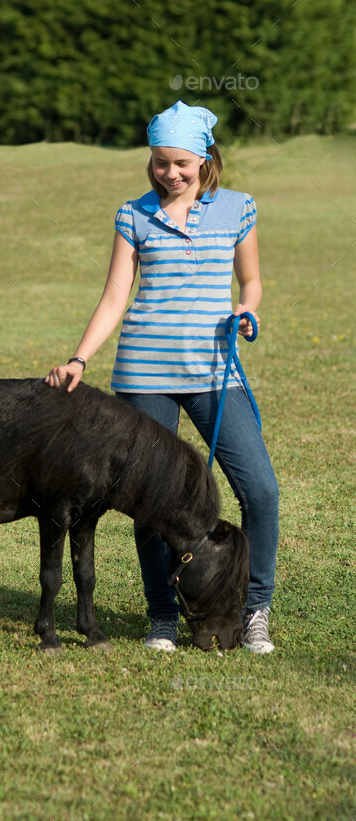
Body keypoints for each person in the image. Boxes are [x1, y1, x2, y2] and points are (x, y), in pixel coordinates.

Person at [46, 100, 279, 654]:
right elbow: (114, 297)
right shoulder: (133, 215)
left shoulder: (238, 208)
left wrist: (247, 309)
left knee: (261, 490)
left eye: (181, 163)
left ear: (205, 159)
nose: (170, 173)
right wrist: (79, 359)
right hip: (142, 374)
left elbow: (251, 281)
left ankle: (254, 609)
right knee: (151, 499)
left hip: (214, 373)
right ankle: (162, 616)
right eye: (160, 162)